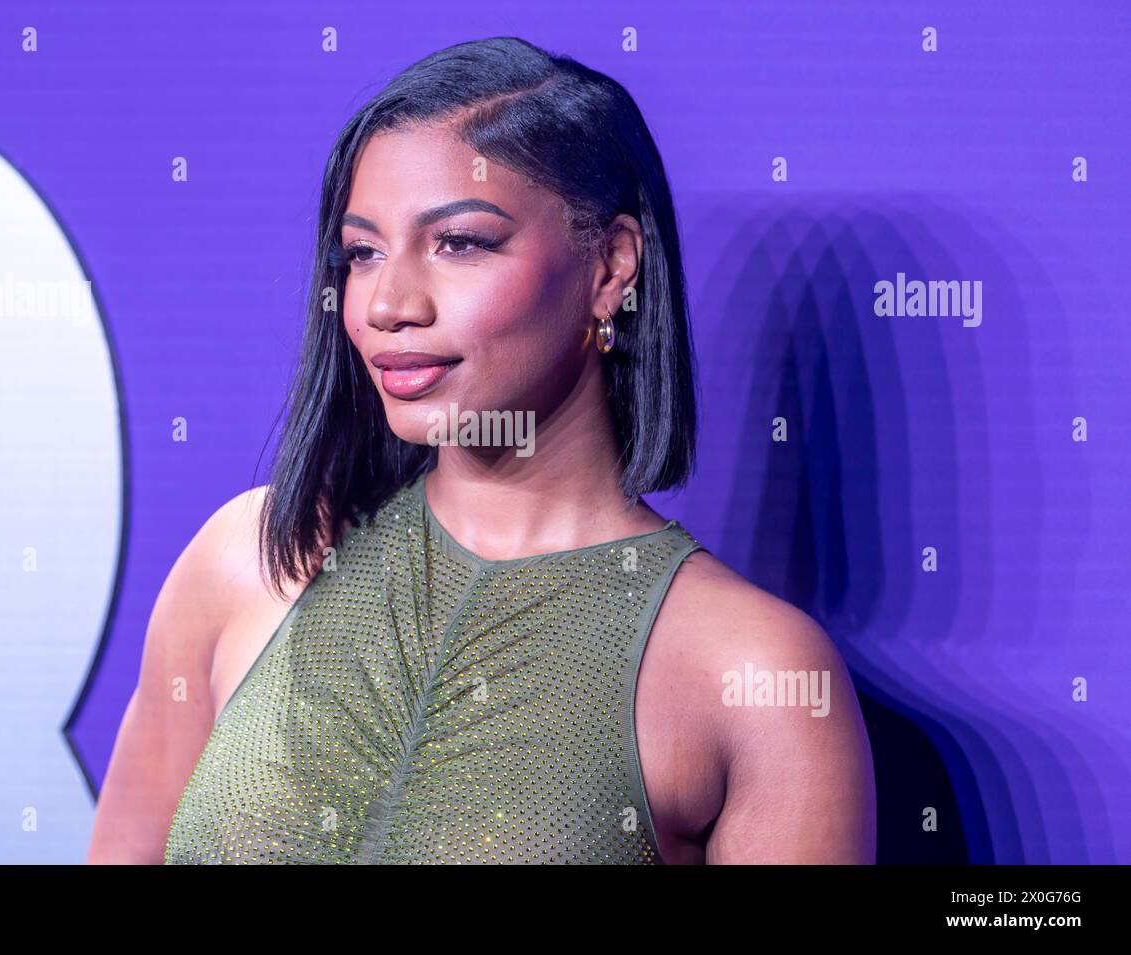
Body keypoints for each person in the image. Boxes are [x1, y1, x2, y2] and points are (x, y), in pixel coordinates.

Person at [87, 36, 875, 864]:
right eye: (362, 253)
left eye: (459, 242)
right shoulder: (249, 561)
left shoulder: (756, 677)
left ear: (611, 267)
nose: (388, 302)